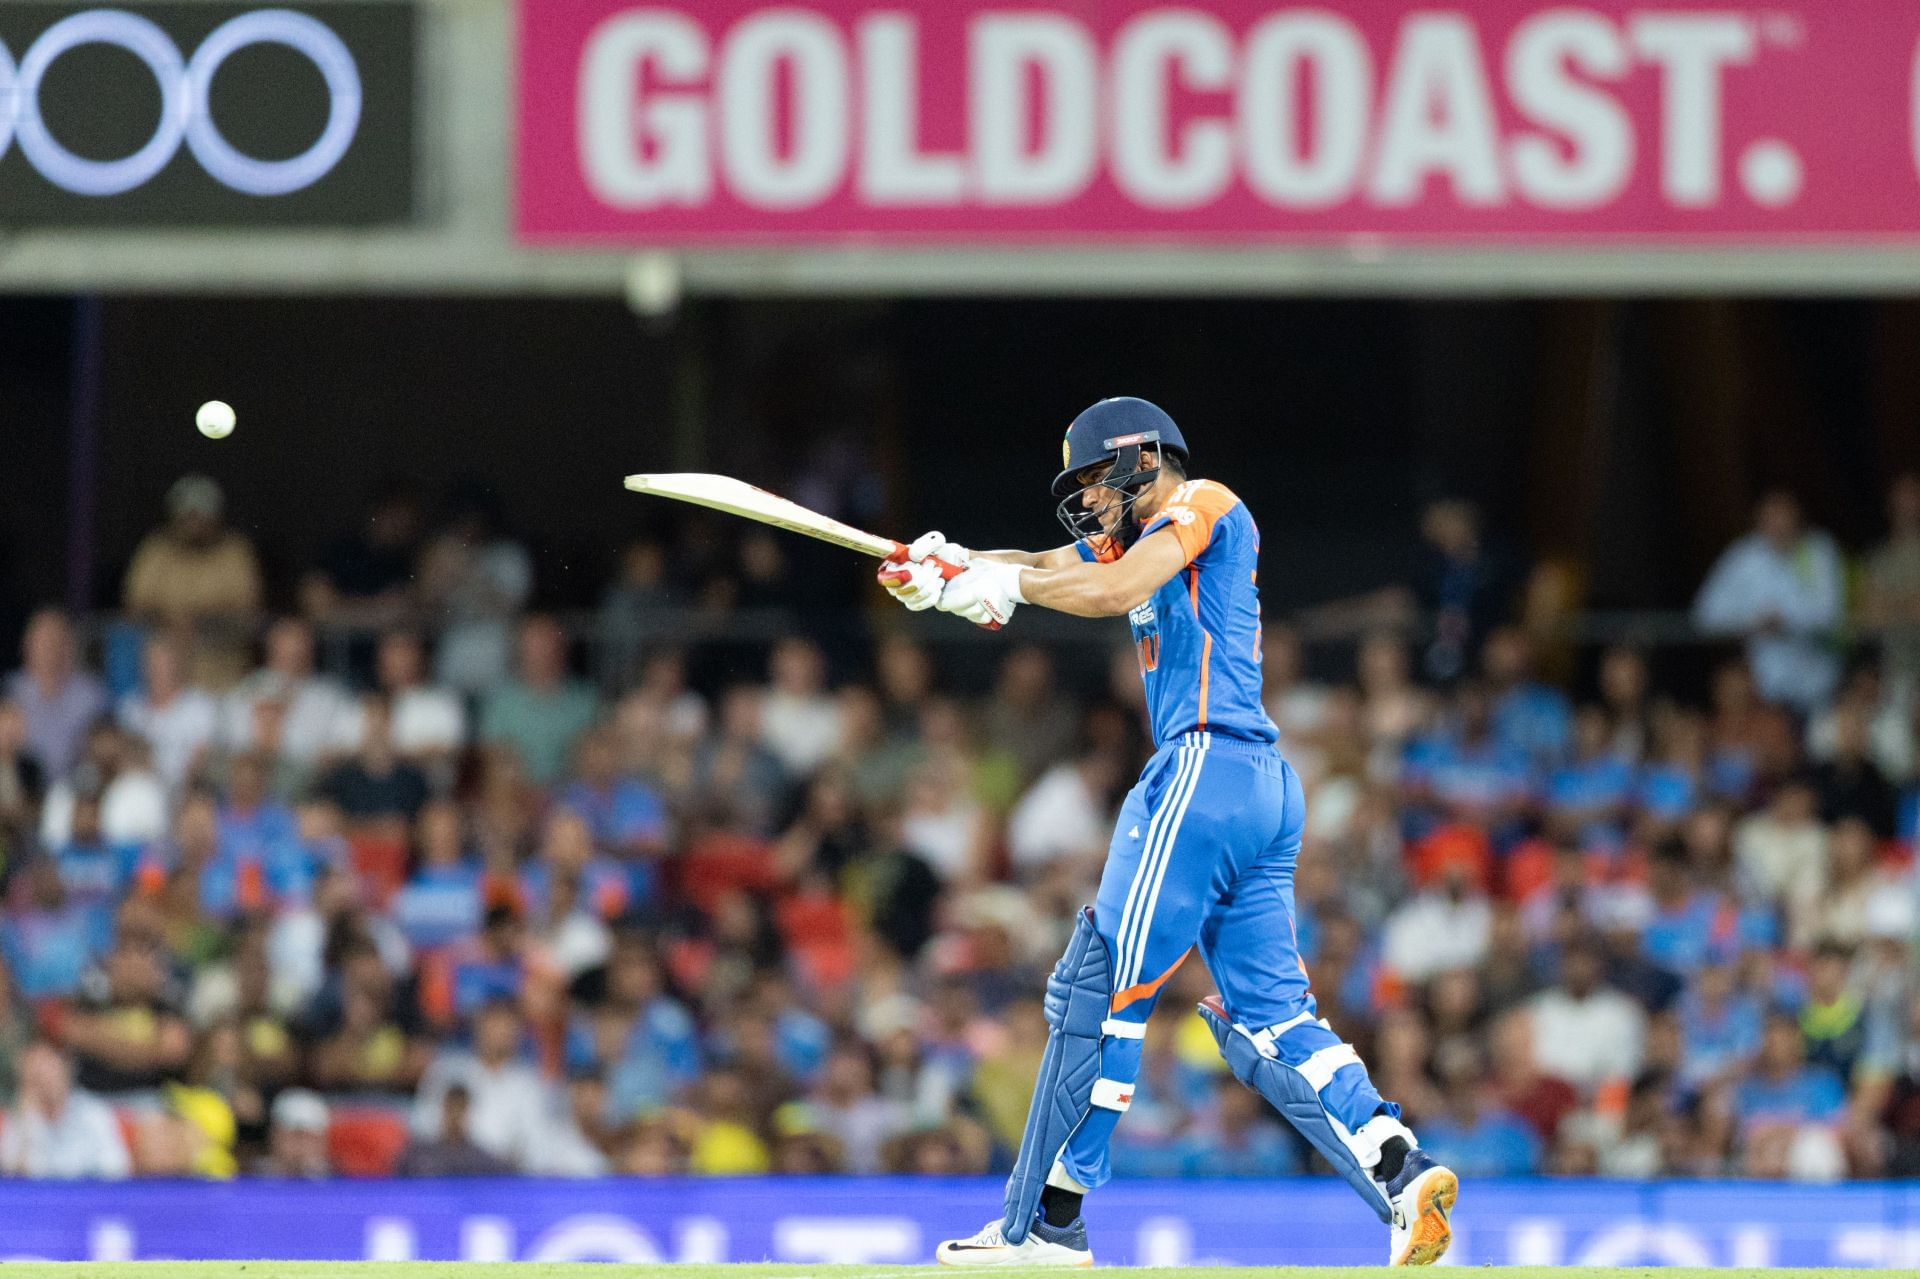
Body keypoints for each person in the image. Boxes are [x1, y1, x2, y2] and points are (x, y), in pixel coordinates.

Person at [880, 397, 1457, 1267]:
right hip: (1254, 786)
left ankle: (1047, 1221)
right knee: (1268, 1020)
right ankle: (1401, 1171)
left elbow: (1100, 588)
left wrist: (999, 584)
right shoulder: (1144, 539)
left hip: (1203, 770)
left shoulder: (1204, 503)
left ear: (1142, 459)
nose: (1088, 504)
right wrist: (950, 564)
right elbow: (1043, 563)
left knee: (1099, 983)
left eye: (1095, 483)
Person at [1692, 491, 1844, 713]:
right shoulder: (1743, 557)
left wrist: (1785, 620)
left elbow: (1832, 612)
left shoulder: (1818, 551)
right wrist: (1751, 623)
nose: (1780, 526)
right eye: (1772, 519)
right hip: (1765, 692)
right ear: (1759, 522)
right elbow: (1706, 615)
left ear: (1798, 519)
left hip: (1819, 686)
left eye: (1785, 518)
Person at [121, 475, 263, 688]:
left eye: (202, 516)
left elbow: (248, 612)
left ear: (216, 517)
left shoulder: (234, 551)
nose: (194, 524)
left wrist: (201, 622)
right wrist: (170, 624)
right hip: (165, 681)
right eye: (188, 516)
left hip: (224, 679)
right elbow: (135, 606)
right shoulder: (156, 551)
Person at [479, 616, 599, 788]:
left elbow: (597, 753)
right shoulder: (502, 702)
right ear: (520, 650)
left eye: (548, 644)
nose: (542, 652)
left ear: (562, 648)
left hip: (573, 794)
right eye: (534, 645)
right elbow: (492, 755)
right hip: (519, 793)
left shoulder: (585, 699)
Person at [0, 1041, 131, 1178]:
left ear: (65, 1070)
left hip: (89, 1195)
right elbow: (13, 1181)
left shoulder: (94, 1113)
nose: (44, 1081)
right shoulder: (20, 1118)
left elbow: (116, 1168)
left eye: (49, 1071)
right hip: (41, 1198)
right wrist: (27, 1124)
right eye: (36, 1075)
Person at [5, 608, 107, 782]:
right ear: (27, 644)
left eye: (56, 640)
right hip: (22, 792)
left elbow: (103, 749)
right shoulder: (12, 691)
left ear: (69, 646)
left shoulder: (91, 695)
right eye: (43, 640)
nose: (49, 648)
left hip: (75, 790)